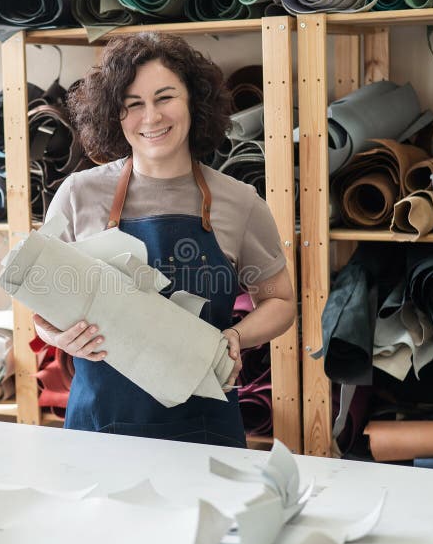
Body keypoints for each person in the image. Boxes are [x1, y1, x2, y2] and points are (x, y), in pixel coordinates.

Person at [33, 32, 295, 448]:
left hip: (205, 431)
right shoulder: (78, 194)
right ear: (114, 116)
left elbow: (281, 301)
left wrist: (237, 337)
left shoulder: (239, 202)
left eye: (165, 98)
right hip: (101, 428)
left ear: (194, 101)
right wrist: (58, 338)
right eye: (133, 104)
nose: (151, 117)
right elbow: (41, 303)